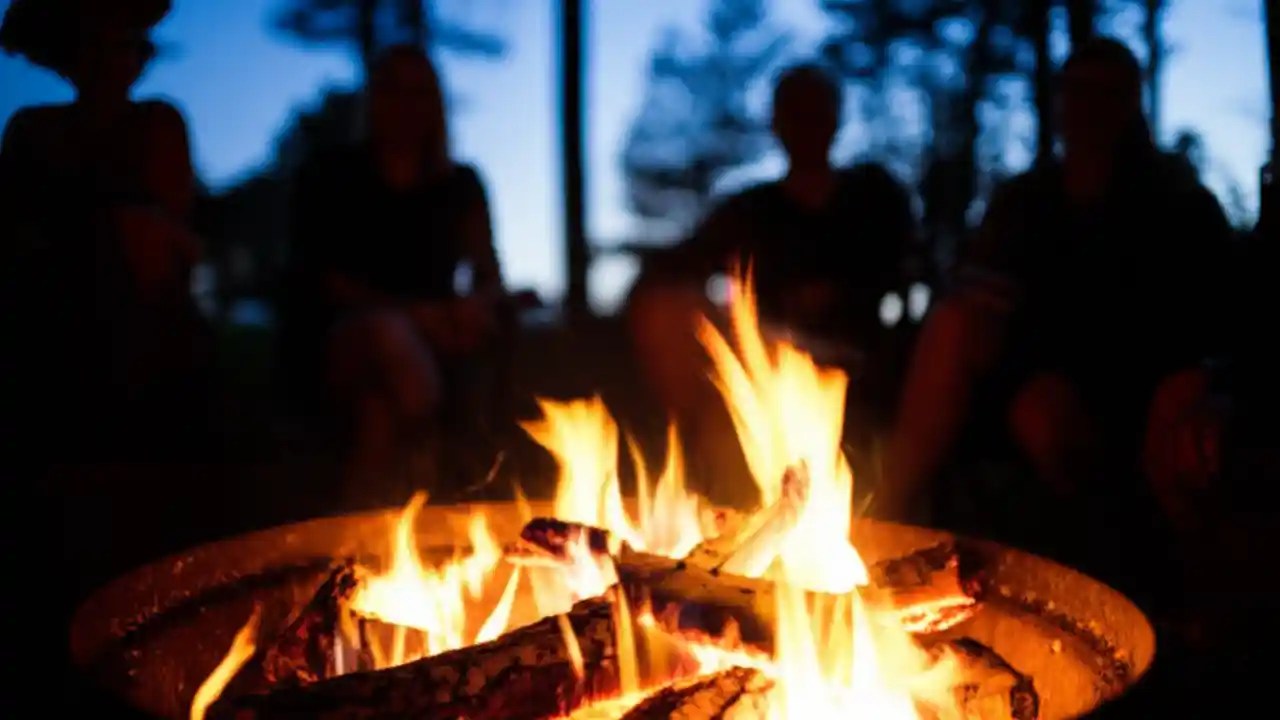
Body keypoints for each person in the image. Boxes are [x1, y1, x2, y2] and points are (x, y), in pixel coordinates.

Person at [880, 39, 1234, 591]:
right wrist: (1023, 383)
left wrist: (1197, 385)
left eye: (1106, 93)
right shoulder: (1025, 204)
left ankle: (1184, 599)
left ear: (1130, 103)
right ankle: (884, 518)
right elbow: (984, 303)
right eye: (1076, 91)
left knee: (1178, 419)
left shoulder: (1178, 204)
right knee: (956, 328)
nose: (1088, 107)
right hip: (1030, 388)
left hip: (1144, 392)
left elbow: (1213, 318)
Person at [626, 63, 916, 505]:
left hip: (859, 360)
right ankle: (699, 493)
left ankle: (890, 506)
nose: (805, 123)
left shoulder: (873, 197)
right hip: (761, 360)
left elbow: (914, 274)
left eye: (816, 110)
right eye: (794, 112)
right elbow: (677, 269)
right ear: (776, 123)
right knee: (665, 307)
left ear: (836, 118)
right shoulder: (750, 211)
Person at [283, 45, 506, 502]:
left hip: (434, 342)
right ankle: (439, 484)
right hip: (348, 338)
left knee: (378, 413)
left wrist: (472, 309)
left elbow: (487, 272)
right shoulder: (333, 177)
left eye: (418, 92)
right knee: (390, 336)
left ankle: (369, 545)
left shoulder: (459, 185)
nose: (406, 106)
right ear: (374, 100)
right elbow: (320, 279)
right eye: (393, 90)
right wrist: (415, 316)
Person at [0, 0, 209, 460]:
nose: (117, 60)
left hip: (148, 306)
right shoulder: (34, 130)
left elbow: (172, 221)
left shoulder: (157, 123)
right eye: (100, 46)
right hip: (61, 302)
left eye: (128, 45)